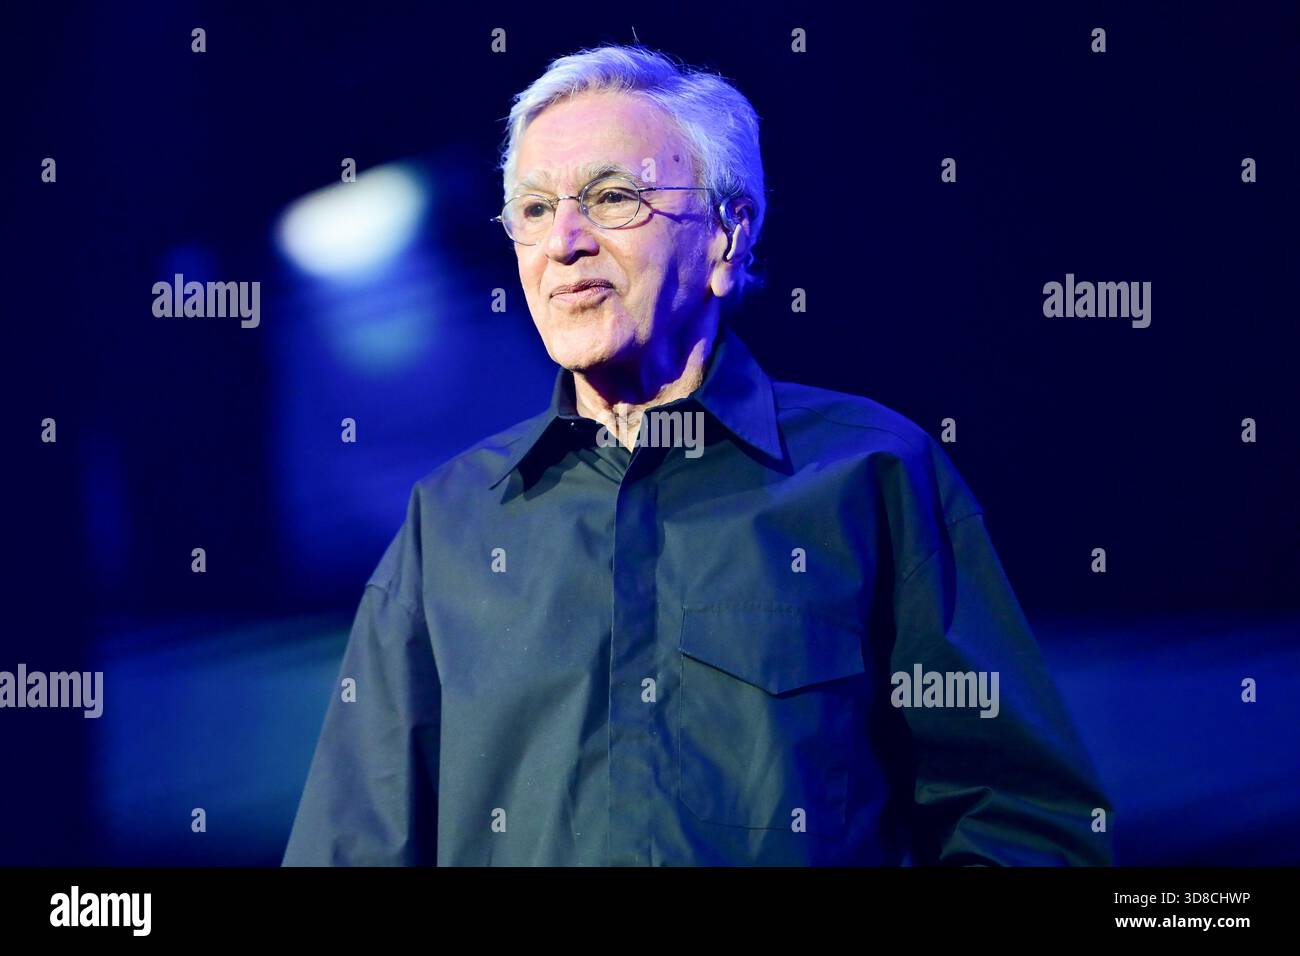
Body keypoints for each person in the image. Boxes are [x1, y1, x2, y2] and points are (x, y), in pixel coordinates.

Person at [282, 43, 1113, 866]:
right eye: (533, 210)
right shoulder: (451, 521)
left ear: (725, 234)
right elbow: (348, 848)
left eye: (611, 198)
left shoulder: (874, 478)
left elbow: (1025, 831)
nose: (563, 240)